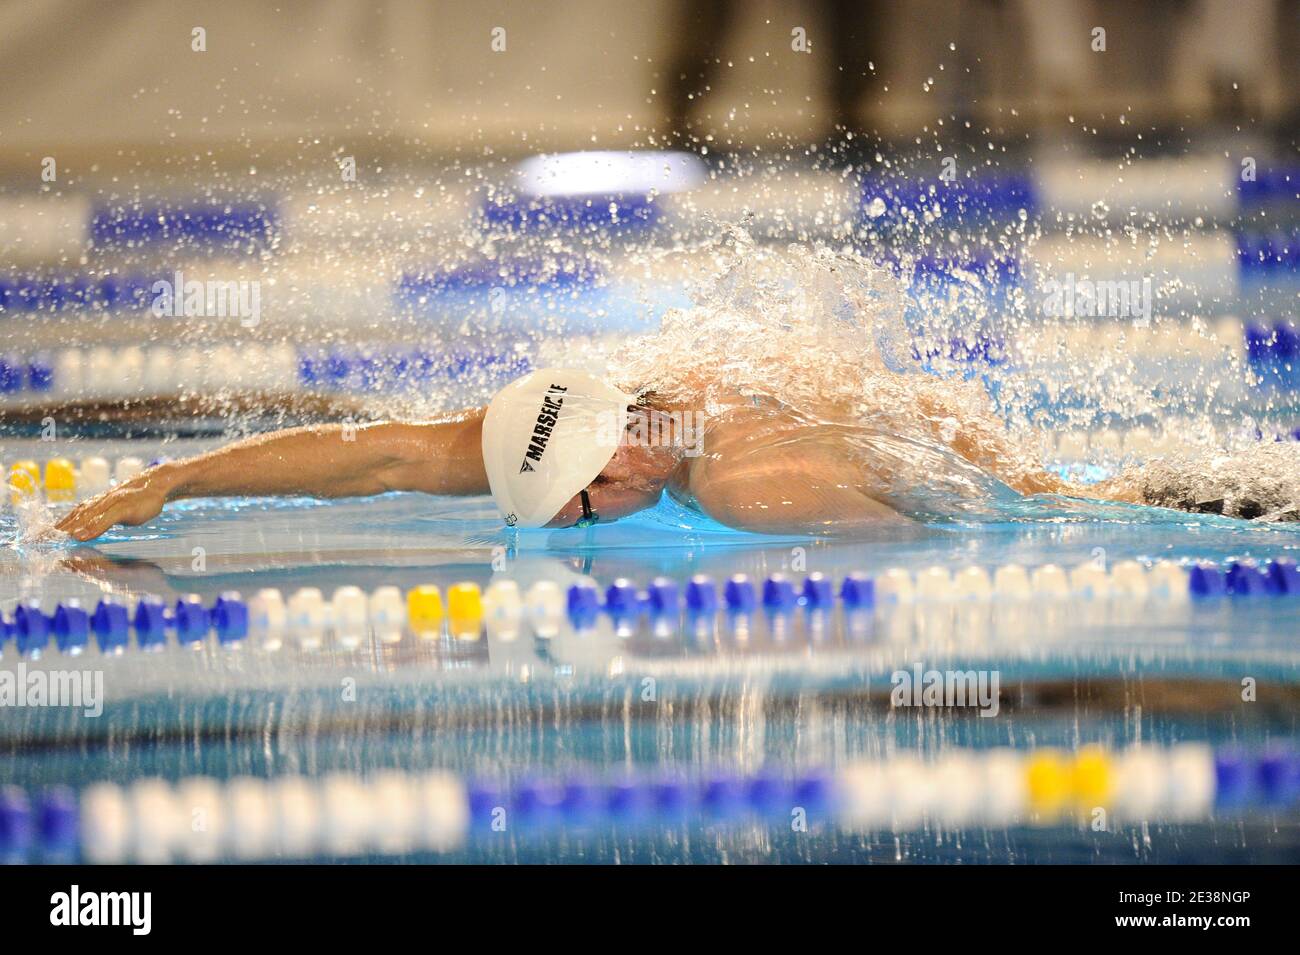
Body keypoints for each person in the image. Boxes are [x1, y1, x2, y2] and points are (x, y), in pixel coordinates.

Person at [55, 363, 1184, 544]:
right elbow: (374, 454)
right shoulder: (604, 402)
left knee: (1067, 497)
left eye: (584, 509)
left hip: (1032, 487)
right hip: (920, 427)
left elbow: (988, 529)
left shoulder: (749, 487)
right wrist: (177, 476)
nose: (599, 513)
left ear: (617, 463)